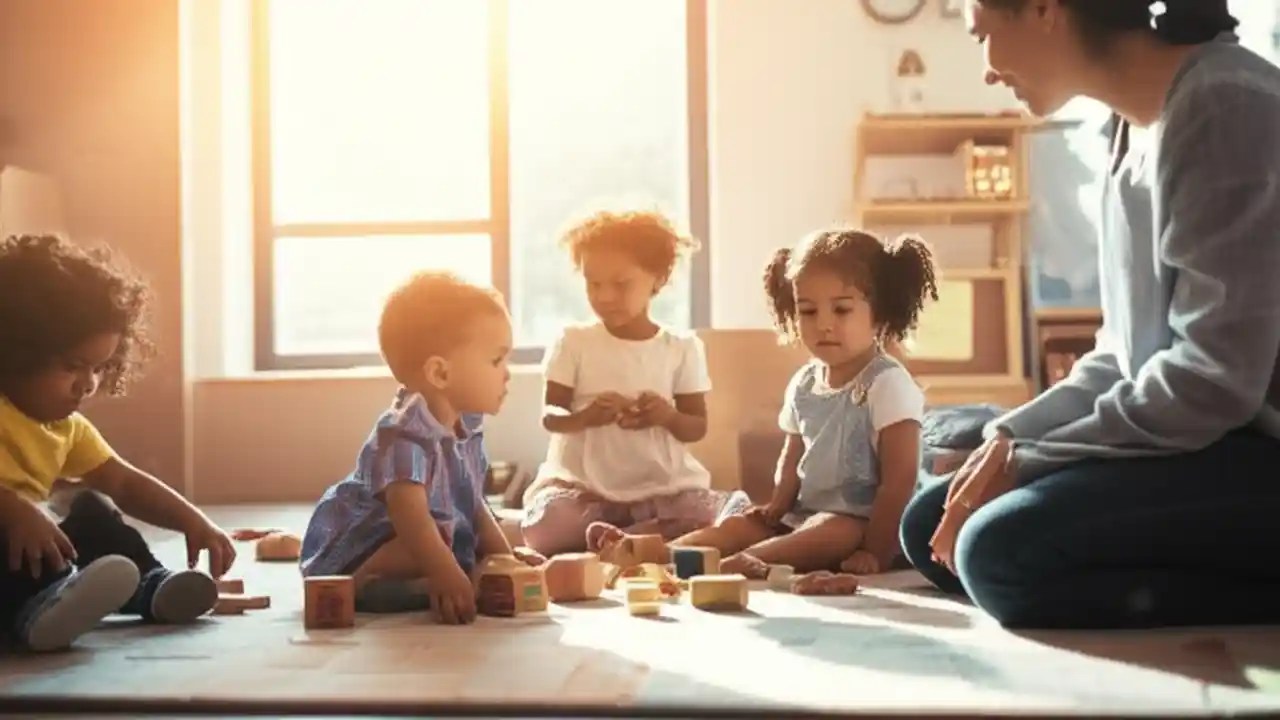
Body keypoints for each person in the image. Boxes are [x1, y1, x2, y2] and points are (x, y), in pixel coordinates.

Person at [900, 0, 1280, 629]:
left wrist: (1035, 459)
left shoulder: (1221, 102)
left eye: (985, 35)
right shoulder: (1128, 127)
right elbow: (1122, 355)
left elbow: (1212, 383)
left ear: (1046, 10)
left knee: (994, 551)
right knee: (929, 524)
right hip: (1217, 440)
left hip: (1255, 443)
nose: (988, 68)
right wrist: (1008, 438)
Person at [592, 229, 938, 578]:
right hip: (804, 512)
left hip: (867, 523)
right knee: (738, 526)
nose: (824, 324)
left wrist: (875, 552)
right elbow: (793, 454)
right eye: (808, 311)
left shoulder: (887, 383)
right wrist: (777, 505)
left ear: (879, 313)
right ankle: (662, 553)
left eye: (842, 310)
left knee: (834, 529)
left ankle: (746, 561)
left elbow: (899, 481)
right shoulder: (805, 382)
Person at [0, 234, 236, 652]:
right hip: (11, 557)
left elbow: (124, 483)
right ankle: (34, 608)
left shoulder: (66, 428)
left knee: (92, 506)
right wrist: (14, 509)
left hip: (35, 550)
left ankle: (147, 584)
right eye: (73, 366)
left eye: (99, 367)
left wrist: (193, 520)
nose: (87, 384)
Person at [300, 272, 539, 625]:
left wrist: (506, 561)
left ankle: (423, 583)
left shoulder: (466, 425)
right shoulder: (404, 433)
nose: (507, 374)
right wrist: (444, 569)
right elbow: (408, 513)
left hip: (427, 535)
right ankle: (363, 583)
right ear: (440, 373)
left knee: (463, 541)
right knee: (435, 542)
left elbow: (474, 504)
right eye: (496, 360)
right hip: (373, 540)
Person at [519, 210, 720, 557]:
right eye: (593, 284)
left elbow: (695, 426)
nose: (605, 296)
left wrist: (666, 416)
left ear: (658, 279)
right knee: (545, 528)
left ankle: (621, 538)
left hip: (661, 489)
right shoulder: (574, 341)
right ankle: (634, 540)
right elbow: (552, 416)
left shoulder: (680, 348)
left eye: (621, 284)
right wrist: (586, 417)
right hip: (585, 491)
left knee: (712, 516)